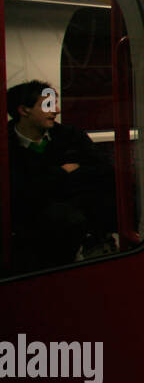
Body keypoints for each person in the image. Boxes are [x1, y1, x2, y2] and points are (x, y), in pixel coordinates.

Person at [6, 80, 117, 270]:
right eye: (48, 105)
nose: (56, 110)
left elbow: (104, 170)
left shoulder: (70, 136)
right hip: (34, 231)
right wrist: (62, 172)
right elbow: (21, 194)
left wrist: (48, 181)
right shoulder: (6, 145)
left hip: (81, 215)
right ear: (24, 110)